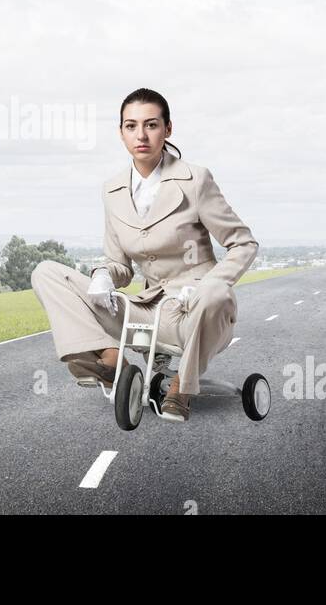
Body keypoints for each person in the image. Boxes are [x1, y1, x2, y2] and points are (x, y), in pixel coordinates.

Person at [30, 87, 259, 422]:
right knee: (46, 273)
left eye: (151, 125)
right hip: (147, 309)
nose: (141, 135)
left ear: (167, 129)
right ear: (121, 132)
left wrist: (208, 284)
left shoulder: (195, 180)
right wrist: (103, 276)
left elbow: (244, 243)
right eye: (131, 126)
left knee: (216, 294)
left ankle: (182, 387)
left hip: (195, 311)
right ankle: (111, 361)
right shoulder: (112, 190)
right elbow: (119, 265)